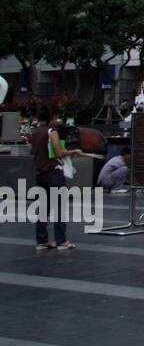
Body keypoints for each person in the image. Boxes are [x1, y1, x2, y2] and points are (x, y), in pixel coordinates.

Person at [29, 106, 81, 251]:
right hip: (53, 173)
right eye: (56, 117)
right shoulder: (51, 132)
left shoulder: (35, 133)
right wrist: (74, 151)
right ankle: (61, 240)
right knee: (59, 207)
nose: (57, 120)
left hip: (40, 173)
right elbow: (58, 152)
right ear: (52, 117)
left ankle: (42, 240)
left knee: (44, 207)